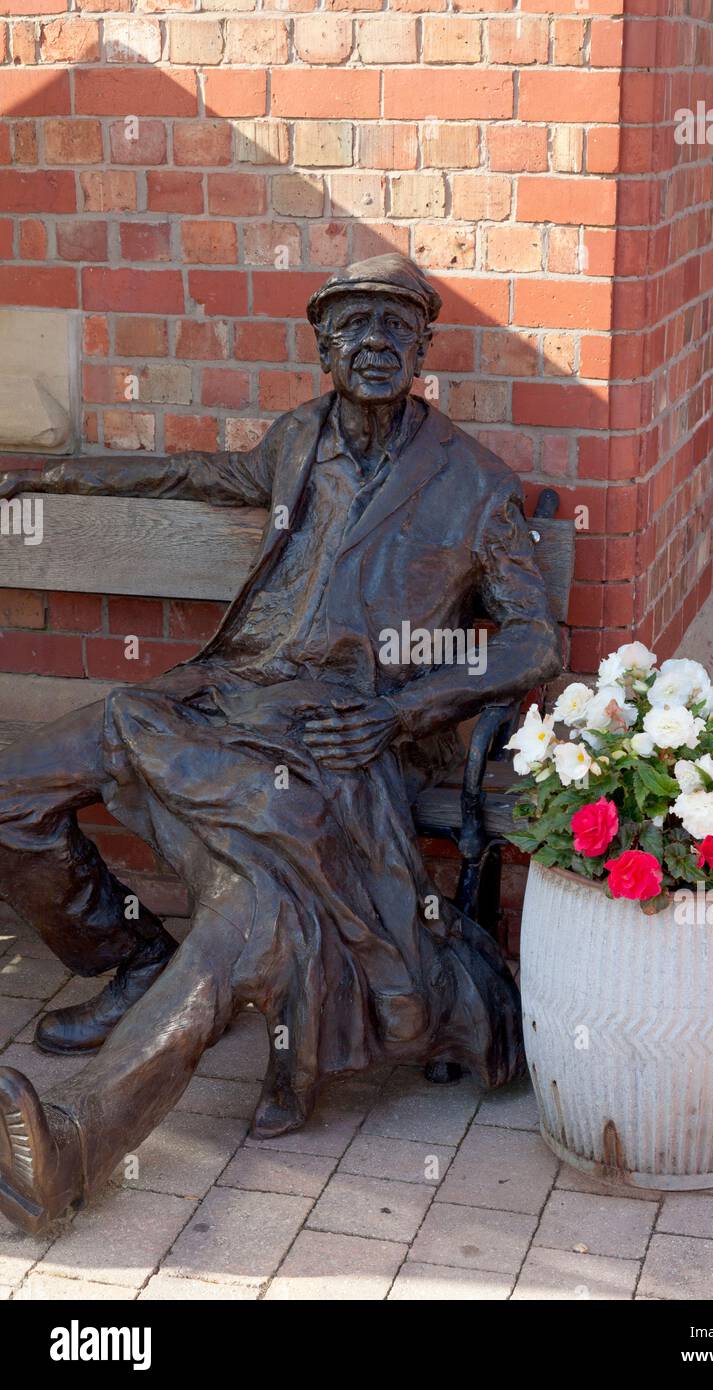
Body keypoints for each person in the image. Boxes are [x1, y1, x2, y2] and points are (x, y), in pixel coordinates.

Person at [0, 254, 560, 1234]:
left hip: (331, 745)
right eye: (352, 326)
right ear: (322, 345)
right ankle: (129, 955)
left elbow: (532, 640)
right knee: (13, 789)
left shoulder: (471, 485)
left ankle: (75, 1138)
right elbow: (193, 471)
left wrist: (406, 711)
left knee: (249, 916)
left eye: (395, 328)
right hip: (212, 701)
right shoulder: (297, 438)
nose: (374, 344)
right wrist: (45, 471)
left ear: (423, 348)